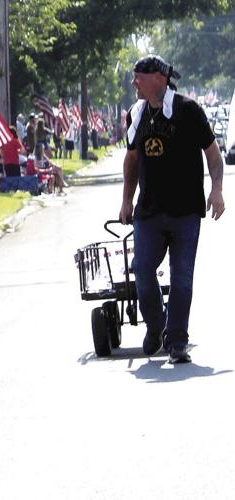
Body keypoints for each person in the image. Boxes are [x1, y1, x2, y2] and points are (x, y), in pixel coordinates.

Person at [119, 55, 225, 364]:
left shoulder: (188, 110)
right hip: (149, 212)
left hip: (185, 212)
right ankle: (156, 325)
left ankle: (177, 341)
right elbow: (133, 160)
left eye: (138, 76)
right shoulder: (135, 114)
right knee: (141, 268)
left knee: (182, 278)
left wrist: (216, 190)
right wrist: (127, 199)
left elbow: (213, 154)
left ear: (158, 78)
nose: (134, 82)